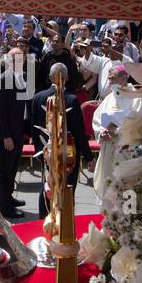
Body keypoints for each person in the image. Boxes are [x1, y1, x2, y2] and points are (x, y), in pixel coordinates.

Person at [30, 62, 92, 218]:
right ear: (67, 78)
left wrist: (39, 150)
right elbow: (79, 132)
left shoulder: (38, 97)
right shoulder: (71, 99)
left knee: (47, 185)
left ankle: (44, 219)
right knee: (67, 186)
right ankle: (64, 221)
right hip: (68, 154)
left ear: (50, 77)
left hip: (46, 152)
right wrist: (89, 156)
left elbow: (33, 128)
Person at [91, 63, 142, 203]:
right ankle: (111, 218)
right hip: (109, 148)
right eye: (109, 78)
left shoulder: (136, 97)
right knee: (110, 187)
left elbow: (140, 120)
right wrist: (102, 132)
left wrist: (118, 131)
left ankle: (129, 218)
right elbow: (98, 119)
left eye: (113, 78)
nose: (109, 81)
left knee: (128, 188)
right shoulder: (110, 98)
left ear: (123, 78)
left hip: (127, 150)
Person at [0, 44, 30, 217]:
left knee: (13, 167)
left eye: (21, 59)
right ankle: (5, 207)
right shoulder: (3, 79)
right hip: (7, 132)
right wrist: (6, 136)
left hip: (18, 129)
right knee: (5, 170)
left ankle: (9, 197)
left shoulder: (22, 76)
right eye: (14, 59)